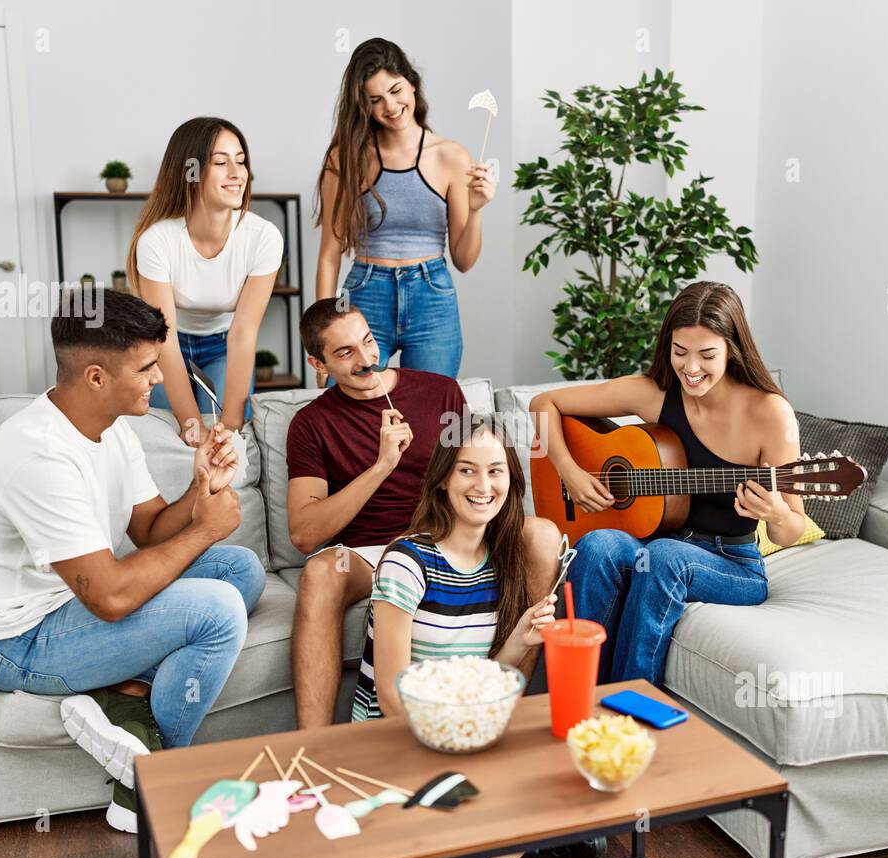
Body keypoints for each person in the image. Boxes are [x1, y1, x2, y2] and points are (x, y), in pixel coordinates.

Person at [0, 289, 264, 834]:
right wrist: (205, 529)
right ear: (96, 376)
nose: (159, 380)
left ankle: (123, 690)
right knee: (218, 609)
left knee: (241, 571)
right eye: (146, 368)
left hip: (73, 602)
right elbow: (112, 596)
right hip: (20, 640)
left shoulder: (110, 426)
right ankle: (147, 784)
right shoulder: (39, 455)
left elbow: (148, 529)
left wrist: (199, 488)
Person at [287, 298, 560, 728]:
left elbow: (477, 472)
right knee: (322, 571)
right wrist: (382, 466)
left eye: (368, 342)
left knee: (542, 535)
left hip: (451, 535)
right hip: (375, 552)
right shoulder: (311, 423)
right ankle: (313, 745)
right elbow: (303, 532)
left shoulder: (439, 391)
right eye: (344, 353)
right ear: (316, 364)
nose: (365, 360)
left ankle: (507, 710)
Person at [530, 281, 806, 685]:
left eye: (707, 355)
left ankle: (629, 707)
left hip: (731, 563)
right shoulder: (657, 394)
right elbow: (542, 406)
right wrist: (570, 471)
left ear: (733, 350)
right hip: (661, 541)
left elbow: (792, 529)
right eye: (680, 353)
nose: (691, 369)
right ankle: (572, 694)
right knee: (599, 545)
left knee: (664, 557)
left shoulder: (770, 413)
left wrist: (776, 512)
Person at [352, 413, 557, 722]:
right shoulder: (405, 563)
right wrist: (458, 736)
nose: (483, 486)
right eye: (467, 470)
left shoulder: (501, 562)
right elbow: (392, 698)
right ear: (444, 479)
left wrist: (518, 639)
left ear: (511, 479)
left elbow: (478, 680)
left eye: (495, 471)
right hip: (392, 738)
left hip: (456, 731)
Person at [313, 37, 494, 383]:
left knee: (428, 413)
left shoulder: (451, 156)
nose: (390, 106)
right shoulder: (346, 157)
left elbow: (465, 261)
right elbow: (329, 254)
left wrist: (476, 211)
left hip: (432, 296)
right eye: (375, 100)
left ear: (413, 84)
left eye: (396, 91)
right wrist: (320, 338)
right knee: (351, 410)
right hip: (366, 293)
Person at [129, 116, 283, 444]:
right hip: (166, 344)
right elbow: (163, 337)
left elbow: (243, 333)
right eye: (220, 162)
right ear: (192, 172)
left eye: (241, 162)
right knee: (169, 436)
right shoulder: (157, 240)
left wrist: (229, 422)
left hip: (224, 342)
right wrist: (189, 421)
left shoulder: (264, 237)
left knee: (229, 435)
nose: (237, 173)